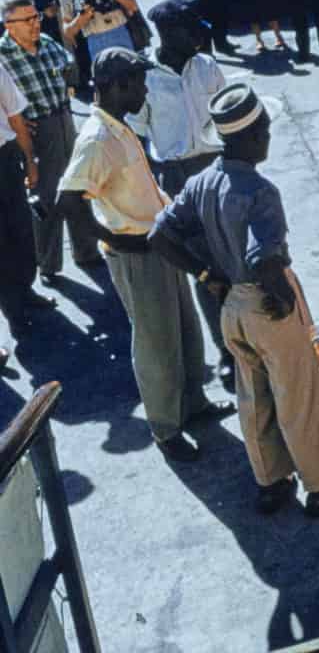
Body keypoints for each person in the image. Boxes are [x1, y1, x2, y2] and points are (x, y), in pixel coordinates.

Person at [149, 83, 319, 517]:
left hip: (230, 305)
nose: (269, 136)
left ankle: (271, 482)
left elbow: (159, 234)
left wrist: (205, 273)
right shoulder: (259, 190)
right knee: (297, 397)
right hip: (264, 302)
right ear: (253, 136)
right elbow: (264, 255)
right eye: (266, 130)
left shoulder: (202, 182)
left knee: (253, 398)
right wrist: (282, 296)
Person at [57, 48, 233, 461]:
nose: (143, 90)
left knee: (185, 331)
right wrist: (114, 239)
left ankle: (193, 405)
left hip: (158, 243)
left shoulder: (119, 126)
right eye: (138, 82)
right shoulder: (97, 139)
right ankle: (166, 428)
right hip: (136, 252)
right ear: (117, 86)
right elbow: (69, 200)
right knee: (157, 344)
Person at [126, 0, 234, 385]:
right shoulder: (144, 76)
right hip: (176, 177)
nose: (202, 36)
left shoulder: (206, 65)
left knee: (236, 255)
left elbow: (227, 117)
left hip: (217, 169)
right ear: (169, 34)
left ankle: (248, 339)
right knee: (207, 269)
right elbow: (135, 134)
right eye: (193, 29)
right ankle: (227, 352)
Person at [0, 0, 101, 284]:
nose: (35, 24)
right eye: (27, 19)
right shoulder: (2, 56)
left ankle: (87, 251)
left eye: (36, 17)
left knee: (79, 185)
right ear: (9, 24)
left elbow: (68, 65)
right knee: (46, 198)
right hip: (34, 131)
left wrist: (69, 85)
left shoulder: (46, 42)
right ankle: (48, 263)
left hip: (64, 119)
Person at [0, 56, 57, 336]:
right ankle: (13, 312)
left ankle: (25, 291)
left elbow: (14, 115)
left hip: (4, 159)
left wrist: (30, 160)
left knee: (21, 232)